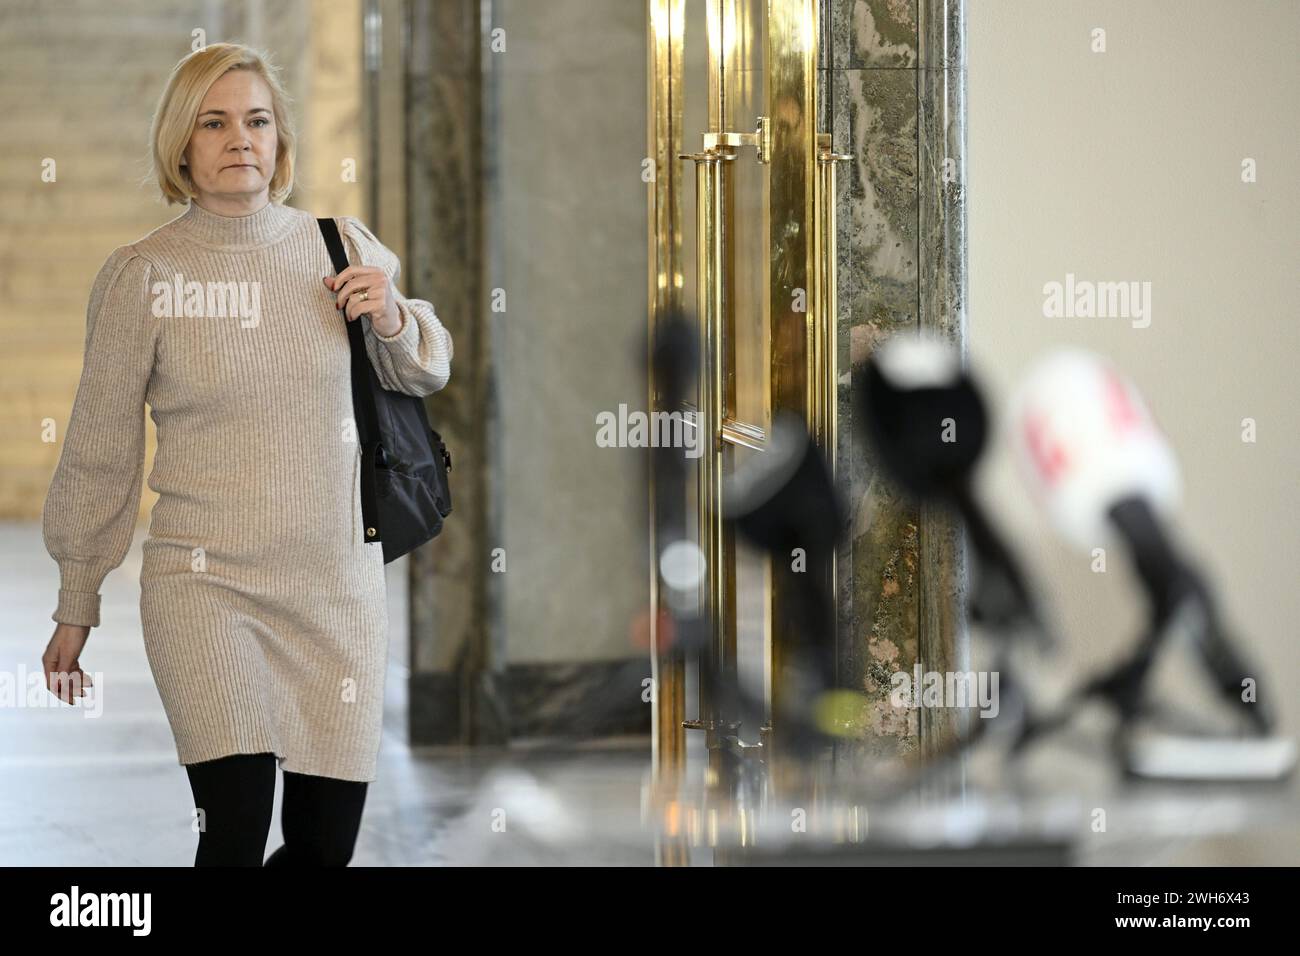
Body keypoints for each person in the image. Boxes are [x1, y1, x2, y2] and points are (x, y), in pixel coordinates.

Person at [39, 42, 453, 866]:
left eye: (257, 120)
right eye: (215, 122)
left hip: (338, 590)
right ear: (181, 147)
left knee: (323, 847)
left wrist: (395, 317)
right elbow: (99, 446)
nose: (240, 138)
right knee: (230, 830)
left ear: (280, 140)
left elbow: (428, 368)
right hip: (205, 589)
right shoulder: (143, 275)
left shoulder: (341, 248)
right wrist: (77, 592)